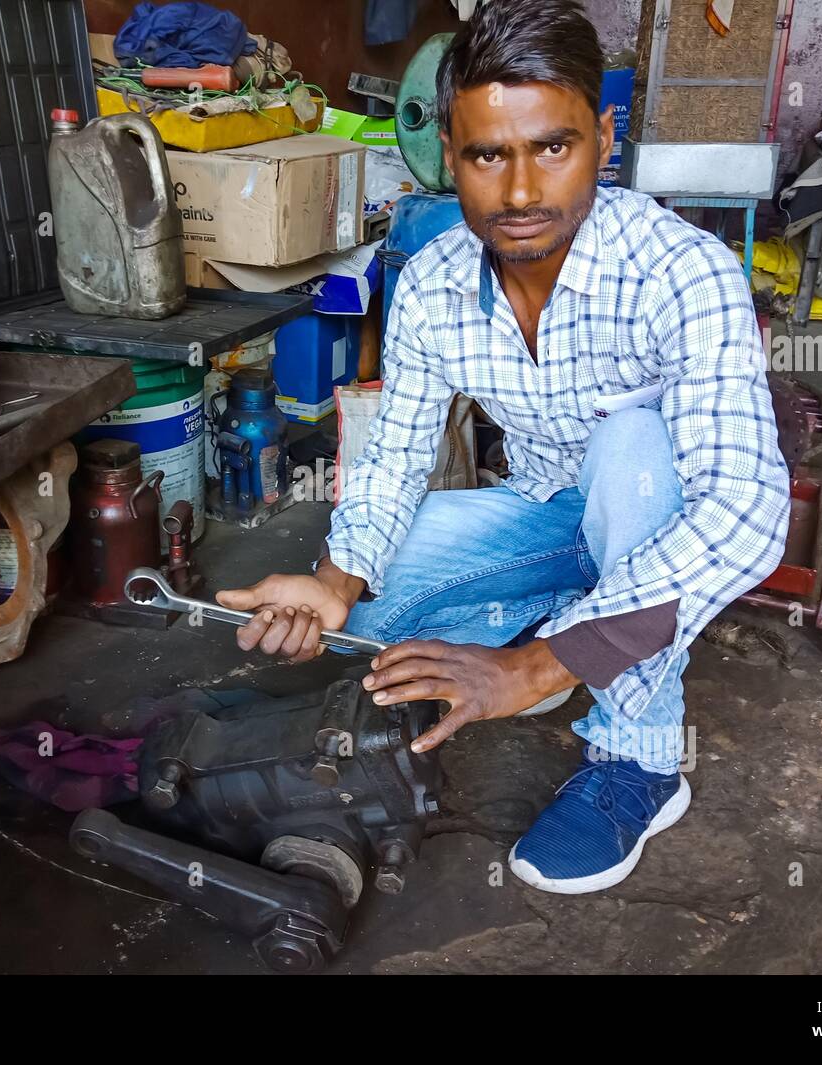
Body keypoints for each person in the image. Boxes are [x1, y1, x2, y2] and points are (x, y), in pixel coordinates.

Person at [217, 0, 790, 894]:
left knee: (634, 447)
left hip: (655, 511)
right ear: (450, 154)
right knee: (362, 633)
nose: (520, 192)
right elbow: (400, 453)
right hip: (546, 510)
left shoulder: (683, 271)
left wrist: (538, 665)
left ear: (603, 137)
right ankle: (566, 618)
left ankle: (639, 761)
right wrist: (334, 579)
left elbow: (745, 513)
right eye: (488, 155)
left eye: (552, 147)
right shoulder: (436, 283)